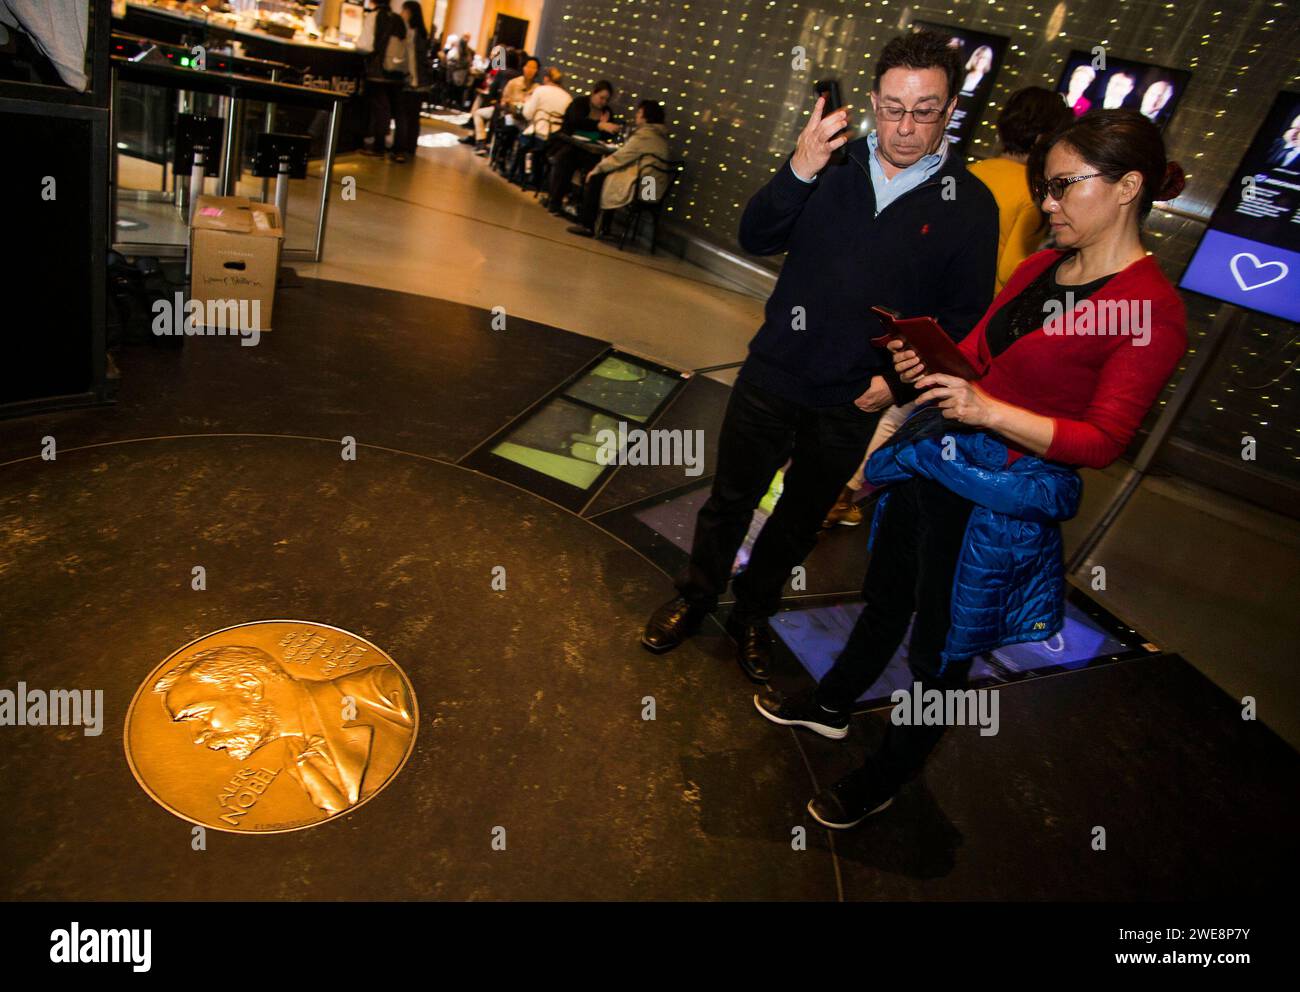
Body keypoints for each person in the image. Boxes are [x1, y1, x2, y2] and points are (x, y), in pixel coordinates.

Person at [755, 109, 1188, 829]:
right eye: (1043, 188)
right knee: (888, 593)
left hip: (999, 497)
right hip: (939, 461)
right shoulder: (1043, 265)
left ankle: (891, 773)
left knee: (945, 649)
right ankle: (834, 704)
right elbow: (980, 354)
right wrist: (922, 361)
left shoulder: (1150, 309)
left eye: (1062, 188)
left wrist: (988, 412)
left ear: (1127, 186)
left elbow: (1103, 439)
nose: (1046, 205)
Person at [640, 30, 999, 683]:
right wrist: (799, 169)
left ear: (951, 109)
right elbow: (755, 235)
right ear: (871, 100)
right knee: (730, 499)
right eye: (892, 107)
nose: (906, 126)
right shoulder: (830, 162)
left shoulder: (969, 205)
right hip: (774, 371)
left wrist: (893, 384)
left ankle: (751, 614)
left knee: (800, 520)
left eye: (925, 110)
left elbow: (964, 317)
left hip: (854, 398)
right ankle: (695, 597)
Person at [824, 85, 1073, 529]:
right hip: (971, 322)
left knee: (894, 401)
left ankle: (831, 483)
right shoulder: (1029, 195)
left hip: (923, 308)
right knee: (904, 410)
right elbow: (1014, 268)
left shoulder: (970, 172)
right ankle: (842, 492)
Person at [567, 100, 670, 237]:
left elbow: (620, 157)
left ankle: (587, 225)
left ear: (646, 117)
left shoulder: (645, 136)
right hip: (653, 188)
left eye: (639, 112)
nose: (636, 115)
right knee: (610, 176)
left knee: (598, 177)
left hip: (646, 189)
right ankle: (604, 227)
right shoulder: (659, 137)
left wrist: (597, 169)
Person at [547, 80, 621, 215]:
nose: (603, 102)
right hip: (570, 144)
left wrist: (605, 128)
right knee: (565, 161)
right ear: (594, 93)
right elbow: (576, 121)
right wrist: (599, 125)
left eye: (606, 99)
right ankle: (555, 202)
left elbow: (606, 136)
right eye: (601, 97)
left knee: (595, 170)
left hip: (590, 150)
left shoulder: (607, 112)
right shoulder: (580, 103)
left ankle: (580, 207)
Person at [360, 0, 407, 158]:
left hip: (378, 70)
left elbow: (365, 45)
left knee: (380, 109)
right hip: (396, 72)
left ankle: (377, 146)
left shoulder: (374, 16)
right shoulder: (398, 19)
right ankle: (394, 147)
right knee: (392, 109)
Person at [513, 67, 572, 189]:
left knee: (522, 139)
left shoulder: (540, 90)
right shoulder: (568, 97)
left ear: (546, 78)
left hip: (537, 134)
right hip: (554, 139)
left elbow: (527, 113)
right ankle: (538, 179)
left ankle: (522, 176)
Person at [391, 2, 432, 164]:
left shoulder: (410, 32)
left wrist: (411, 78)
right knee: (413, 116)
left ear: (409, 12)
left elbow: (411, 58)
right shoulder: (422, 33)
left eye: (403, 10)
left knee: (403, 115)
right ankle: (410, 147)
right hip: (422, 82)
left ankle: (399, 148)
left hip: (412, 81)